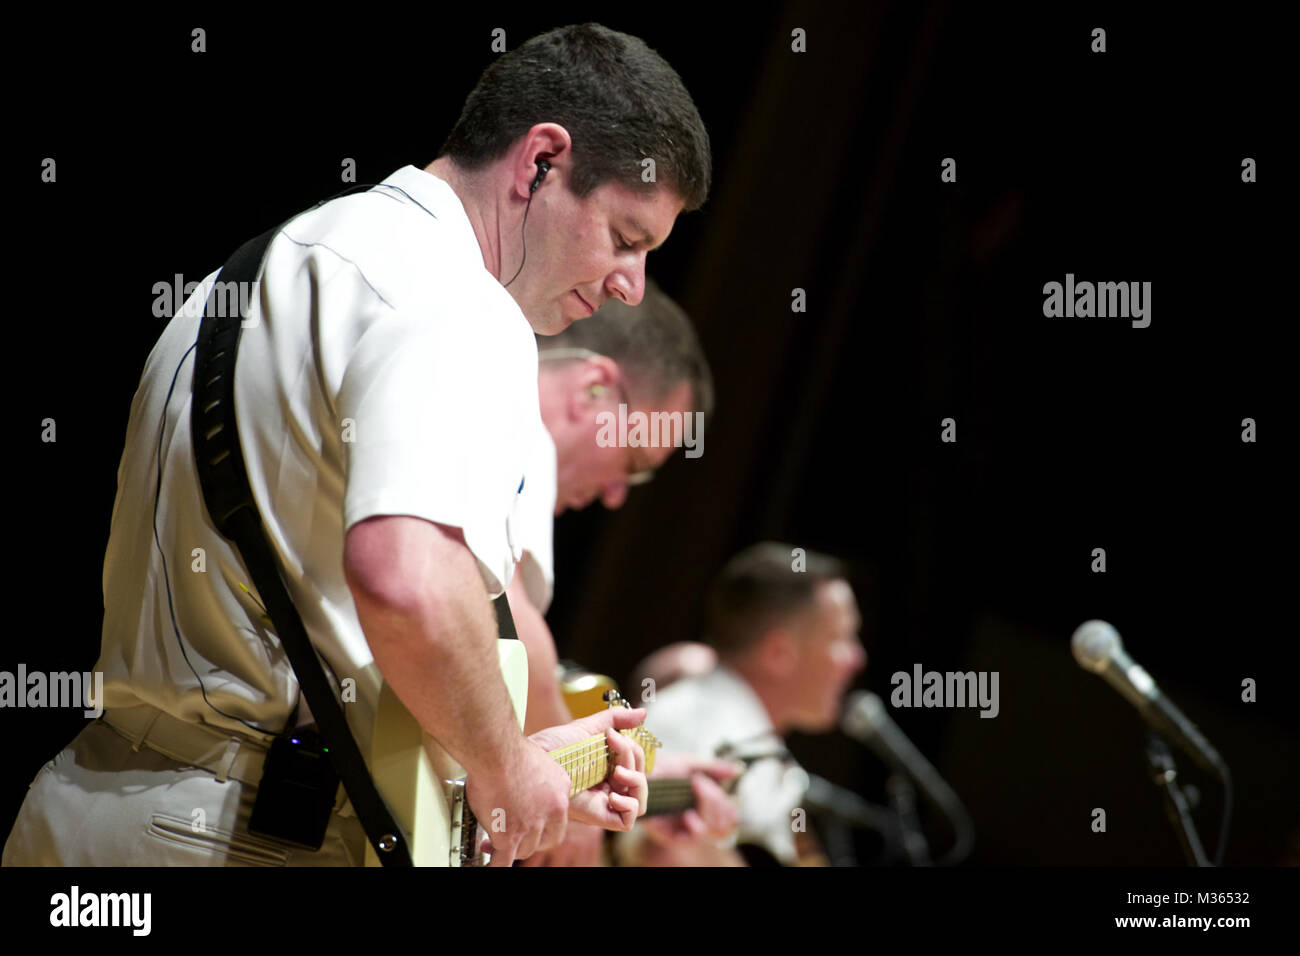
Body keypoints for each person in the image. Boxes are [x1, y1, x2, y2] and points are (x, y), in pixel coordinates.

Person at [3, 23, 710, 867]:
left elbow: (321, 643)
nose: (631, 285)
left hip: (88, 812)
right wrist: (503, 764)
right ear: (540, 163)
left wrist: (533, 761)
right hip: (241, 844)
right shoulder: (461, 301)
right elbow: (406, 581)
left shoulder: (267, 266)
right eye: (626, 240)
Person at [504, 282, 738, 865]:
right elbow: (504, 616)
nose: (613, 497)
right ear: (592, 389)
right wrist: (571, 781)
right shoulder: (511, 435)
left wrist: (649, 778)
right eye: (630, 466)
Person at [634, 542, 867, 865]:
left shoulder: (732, 722)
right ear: (778, 654)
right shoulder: (718, 724)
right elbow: (667, 852)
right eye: (843, 638)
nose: (857, 659)